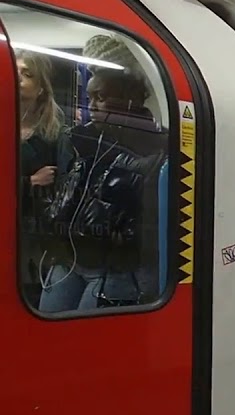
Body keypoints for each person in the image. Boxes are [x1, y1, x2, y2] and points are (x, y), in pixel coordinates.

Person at [37, 34, 165, 312]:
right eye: (89, 97)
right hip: (71, 256)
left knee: (84, 345)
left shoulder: (156, 146)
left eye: (101, 97)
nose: (91, 105)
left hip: (116, 268)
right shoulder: (80, 139)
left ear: (130, 98)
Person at [16, 51, 72, 300]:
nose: (17, 77)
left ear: (40, 88)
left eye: (27, 74)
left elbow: (61, 184)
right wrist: (29, 182)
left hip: (37, 233)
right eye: (13, 70)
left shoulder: (55, 133)